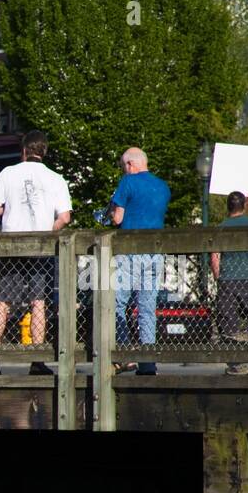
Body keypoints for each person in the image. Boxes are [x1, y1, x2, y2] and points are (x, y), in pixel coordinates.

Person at [0, 130, 72, 376]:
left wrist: (11, 209)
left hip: (12, 245)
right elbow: (65, 217)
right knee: (38, 303)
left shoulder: (8, 173)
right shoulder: (56, 178)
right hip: (39, 246)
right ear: (44, 151)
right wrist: (48, 228)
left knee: (2, 302)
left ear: (24, 150)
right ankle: (37, 359)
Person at [108, 147, 170, 375]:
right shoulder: (163, 186)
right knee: (146, 308)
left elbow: (117, 219)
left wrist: (112, 210)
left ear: (130, 165)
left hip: (128, 251)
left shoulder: (128, 182)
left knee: (118, 304)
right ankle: (148, 361)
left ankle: (125, 355)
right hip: (155, 253)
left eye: (124, 166)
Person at [211, 191, 248, 374]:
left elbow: (215, 256)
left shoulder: (221, 227)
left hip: (228, 279)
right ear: (243, 206)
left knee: (229, 320)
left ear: (228, 207)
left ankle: (236, 362)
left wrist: (218, 276)